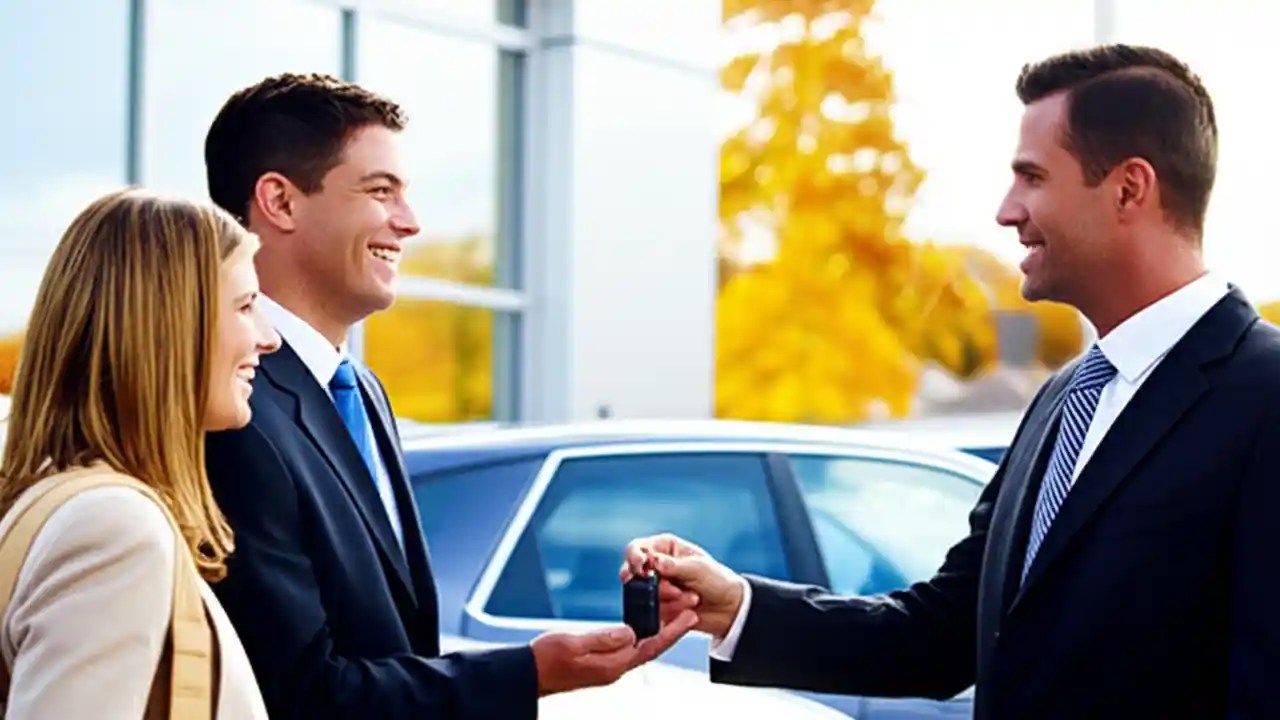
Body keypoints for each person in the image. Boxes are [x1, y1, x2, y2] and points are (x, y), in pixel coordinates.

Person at [623, 44, 1280, 719]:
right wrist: (736, 607)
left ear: (1128, 189)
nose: (1006, 210)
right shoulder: (1064, 400)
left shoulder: (1265, 396)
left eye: (1032, 177)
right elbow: (942, 634)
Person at [202, 73, 697, 719]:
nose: (409, 224)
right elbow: (297, 694)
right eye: (381, 192)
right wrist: (531, 673)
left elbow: (394, 647)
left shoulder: (360, 391)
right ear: (280, 202)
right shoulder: (232, 408)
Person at [0, 189, 280, 717]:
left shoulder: (53, 502)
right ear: (172, 325)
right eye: (246, 306)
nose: (269, 338)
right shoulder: (113, 526)